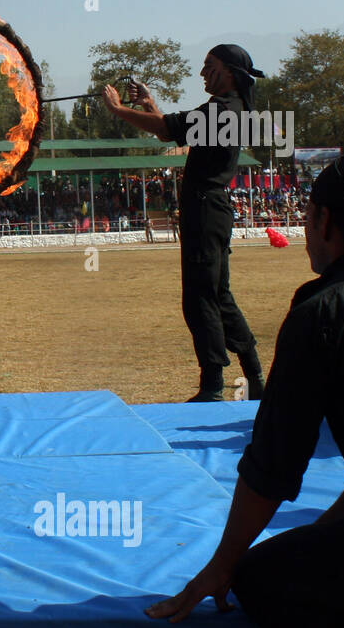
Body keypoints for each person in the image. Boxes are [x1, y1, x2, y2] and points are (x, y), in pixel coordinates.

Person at [146, 154, 344, 628]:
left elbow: (273, 464)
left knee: (261, 581)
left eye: (307, 217)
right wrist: (325, 532)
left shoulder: (328, 310)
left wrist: (222, 564)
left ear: (323, 221)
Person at [102, 45, 265, 401]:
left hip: (205, 210)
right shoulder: (233, 109)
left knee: (200, 297)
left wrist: (118, 109)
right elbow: (168, 130)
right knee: (218, 294)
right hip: (213, 209)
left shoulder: (222, 110)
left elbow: (164, 128)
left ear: (229, 72)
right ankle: (253, 377)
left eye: (210, 66)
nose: (203, 73)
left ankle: (212, 385)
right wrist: (148, 103)